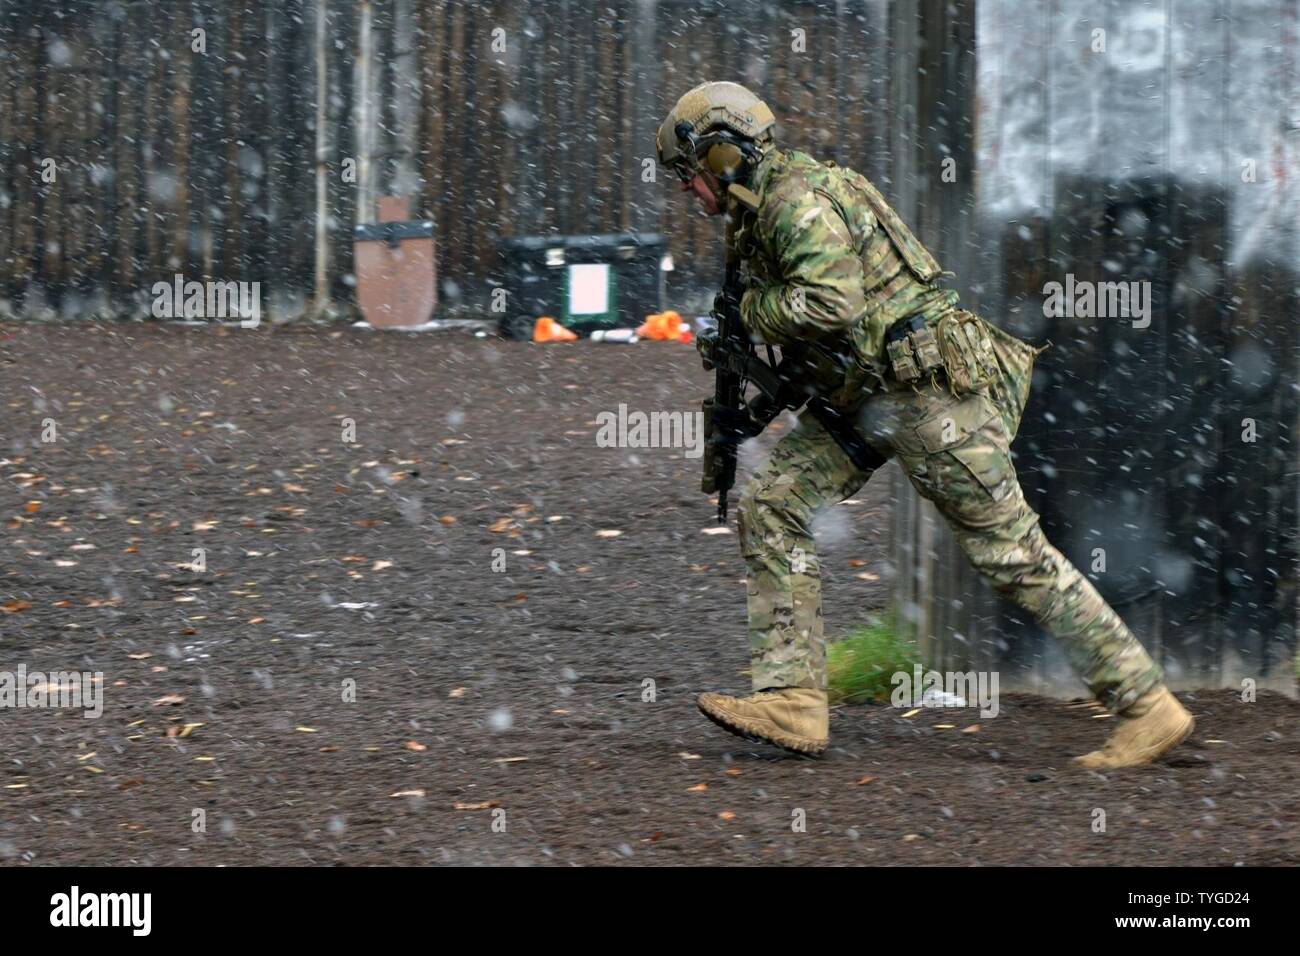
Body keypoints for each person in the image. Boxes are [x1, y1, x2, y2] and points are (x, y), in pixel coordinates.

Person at [655, 81, 1194, 767]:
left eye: (689, 174)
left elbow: (831, 303)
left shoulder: (798, 203)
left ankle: (1147, 706)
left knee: (1014, 556)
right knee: (772, 503)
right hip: (872, 400)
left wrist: (752, 313)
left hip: (932, 398)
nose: (686, 192)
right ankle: (792, 700)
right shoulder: (761, 211)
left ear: (725, 155)